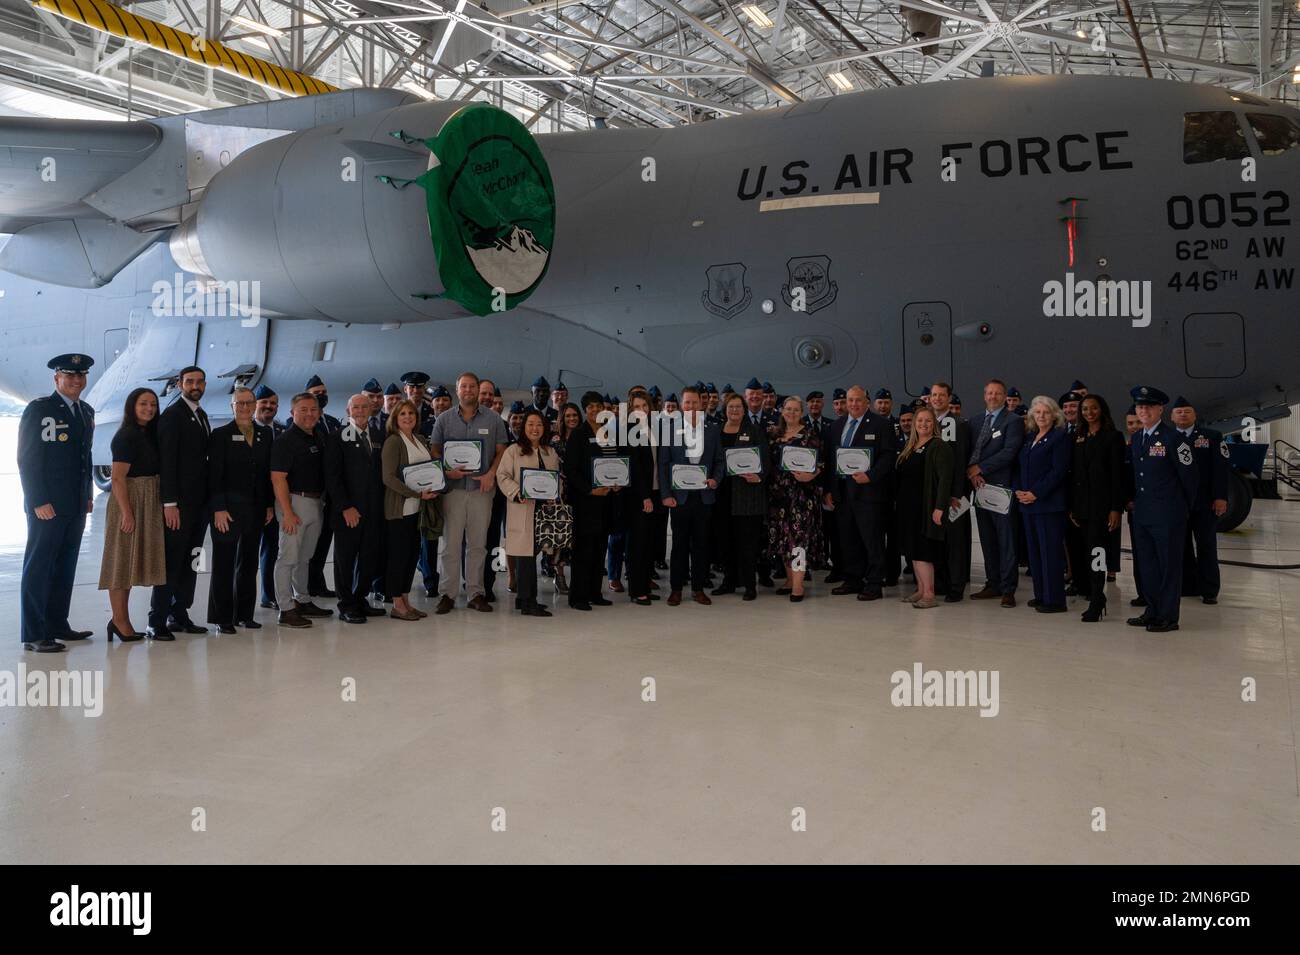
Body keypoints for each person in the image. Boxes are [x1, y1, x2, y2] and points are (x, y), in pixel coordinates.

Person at [17, 353, 96, 652]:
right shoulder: (40, 410)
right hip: (47, 506)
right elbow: (27, 458)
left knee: (65, 567)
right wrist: (37, 500)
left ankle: (57, 624)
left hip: (75, 504)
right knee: (39, 567)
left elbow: (84, 459)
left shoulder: (86, 411)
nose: (76, 380)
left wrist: (87, 495)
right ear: (57, 378)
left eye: (81, 375)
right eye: (70, 375)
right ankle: (34, 634)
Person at [430, 371, 509, 614]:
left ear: (478, 390)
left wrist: (490, 474)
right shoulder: (443, 420)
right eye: (463, 387)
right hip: (452, 491)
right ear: (457, 390)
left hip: (481, 491)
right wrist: (446, 470)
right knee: (450, 545)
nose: (468, 391)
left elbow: (502, 450)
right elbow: (434, 451)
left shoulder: (494, 419)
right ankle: (448, 594)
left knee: (477, 545)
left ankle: (476, 593)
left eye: (472, 387)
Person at [1127, 386, 1198, 632]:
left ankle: (1168, 616)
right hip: (1144, 513)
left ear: (1160, 409)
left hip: (1169, 514)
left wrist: (1181, 509)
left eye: (1148, 406)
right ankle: (1152, 610)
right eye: (1140, 406)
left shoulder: (1174, 439)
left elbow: (1189, 478)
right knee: (1148, 565)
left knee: (1169, 567)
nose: (1143, 410)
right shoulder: (1137, 438)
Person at [149, 365, 211, 639]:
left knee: (192, 560)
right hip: (179, 506)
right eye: (190, 382)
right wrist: (169, 503)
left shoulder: (200, 415)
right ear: (179, 384)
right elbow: (168, 463)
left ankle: (180, 613)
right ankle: (156, 621)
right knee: (171, 562)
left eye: (199, 382)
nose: (195, 386)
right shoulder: (173, 416)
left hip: (198, 505)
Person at [98, 387, 165, 641]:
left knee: (129, 564)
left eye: (153, 405)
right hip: (130, 500)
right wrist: (127, 513)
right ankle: (119, 620)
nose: (149, 409)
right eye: (143, 404)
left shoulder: (148, 433)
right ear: (131, 406)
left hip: (148, 498)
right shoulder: (126, 436)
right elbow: (117, 478)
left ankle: (120, 620)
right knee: (120, 562)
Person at [206, 387, 273, 634]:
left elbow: (266, 475)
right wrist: (218, 508)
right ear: (232, 406)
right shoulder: (221, 435)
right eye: (239, 403)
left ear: (255, 405)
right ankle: (223, 617)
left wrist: (267, 505)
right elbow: (214, 476)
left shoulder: (265, 435)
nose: (245, 407)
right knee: (224, 563)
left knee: (248, 562)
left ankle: (244, 614)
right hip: (228, 510)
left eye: (249, 403)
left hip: (255, 509)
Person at [823, 385, 899, 600]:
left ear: (867, 402)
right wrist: (829, 490)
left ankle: (874, 583)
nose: (854, 404)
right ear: (846, 403)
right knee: (848, 539)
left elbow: (888, 456)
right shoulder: (836, 426)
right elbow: (830, 461)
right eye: (850, 400)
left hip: (869, 494)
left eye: (858, 400)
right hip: (843, 494)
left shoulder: (881, 425)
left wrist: (871, 475)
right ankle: (853, 579)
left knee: (872, 540)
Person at [269, 393, 333, 628]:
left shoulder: (318, 437)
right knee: (287, 558)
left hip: (316, 503)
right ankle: (286, 609)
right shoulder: (285, 441)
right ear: (292, 413)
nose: (309, 414)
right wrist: (287, 512)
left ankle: (302, 600)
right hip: (294, 502)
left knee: (305, 557)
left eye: (313, 409)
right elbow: (278, 479)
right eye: (303, 409)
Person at [324, 394, 388, 624]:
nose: (360, 411)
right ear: (348, 410)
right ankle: (347, 605)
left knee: (369, 558)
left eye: (364, 407)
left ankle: (360, 598)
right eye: (356, 407)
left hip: (374, 511)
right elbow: (333, 478)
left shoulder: (380, 436)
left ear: (371, 409)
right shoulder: (337, 437)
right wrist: (345, 507)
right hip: (348, 512)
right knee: (345, 560)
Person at [658, 386, 724, 606]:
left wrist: (715, 479)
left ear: (701, 403)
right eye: (687, 403)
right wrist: (666, 494)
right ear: (681, 405)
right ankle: (676, 589)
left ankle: (697, 589)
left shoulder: (713, 429)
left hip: (704, 496)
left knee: (701, 544)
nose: (691, 406)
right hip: (679, 497)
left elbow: (719, 461)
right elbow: (663, 464)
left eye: (695, 402)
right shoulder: (669, 429)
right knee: (678, 545)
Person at [1067, 394, 1126, 622]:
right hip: (1082, 507)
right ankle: (1093, 593)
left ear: (1102, 410)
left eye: (1093, 408)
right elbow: (1074, 475)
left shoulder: (1113, 437)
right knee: (1085, 552)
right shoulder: (1079, 437)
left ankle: (1097, 596)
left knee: (1097, 553)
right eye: (1085, 409)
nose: (1089, 413)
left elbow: (1117, 477)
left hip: (1102, 509)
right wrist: (1072, 506)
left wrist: (1115, 508)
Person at [496, 409, 560, 616]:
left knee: (534, 553)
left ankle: (524, 598)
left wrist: (556, 492)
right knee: (525, 555)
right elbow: (502, 475)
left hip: (543, 511)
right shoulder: (513, 451)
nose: (535, 428)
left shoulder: (550, 452)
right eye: (531, 424)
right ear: (524, 427)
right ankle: (527, 601)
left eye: (539, 424)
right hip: (523, 507)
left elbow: (557, 478)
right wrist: (516, 492)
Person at [381, 399, 440, 621]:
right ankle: (396, 603)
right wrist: (416, 494)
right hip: (400, 510)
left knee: (411, 555)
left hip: (418, 509)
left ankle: (406, 600)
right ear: (395, 418)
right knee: (398, 557)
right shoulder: (393, 442)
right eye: (403, 414)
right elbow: (388, 478)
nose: (407, 417)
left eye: (411, 414)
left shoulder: (420, 439)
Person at [967, 379, 1024, 608]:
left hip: (1001, 488)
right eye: (989, 393)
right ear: (984, 395)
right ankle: (993, 583)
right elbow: (969, 452)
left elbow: (1009, 452)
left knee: (1006, 539)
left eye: (997, 393)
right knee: (987, 538)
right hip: (979, 487)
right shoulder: (975, 421)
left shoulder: (1013, 421)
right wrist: (972, 474)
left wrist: (980, 468)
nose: (993, 397)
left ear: (1004, 397)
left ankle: (1008, 589)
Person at [565, 390, 624, 610]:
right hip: (586, 501)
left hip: (607, 501)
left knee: (600, 548)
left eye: (598, 406)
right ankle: (578, 596)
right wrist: (590, 490)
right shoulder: (578, 435)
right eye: (590, 407)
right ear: (585, 410)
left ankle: (595, 592)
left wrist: (619, 481)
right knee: (583, 550)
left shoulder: (610, 433)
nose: (595, 410)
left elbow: (616, 461)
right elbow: (571, 470)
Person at [1015, 396, 1072, 614]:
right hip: (1027, 504)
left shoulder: (1059, 438)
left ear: (1055, 415)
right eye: (1037, 413)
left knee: (1050, 553)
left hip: (1048, 504)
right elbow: (1021, 468)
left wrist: (1036, 493)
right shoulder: (1030, 438)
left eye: (1046, 412)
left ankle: (1055, 600)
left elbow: (1058, 472)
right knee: (1035, 553)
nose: (1041, 416)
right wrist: (1019, 490)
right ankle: (1041, 595)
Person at [1171, 397, 1229, 605]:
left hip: (1204, 503)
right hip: (1177, 504)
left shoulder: (1211, 436)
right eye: (1179, 412)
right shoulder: (1167, 438)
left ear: (1194, 415)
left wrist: (1221, 497)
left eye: (1187, 411)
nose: (1183, 415)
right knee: (1181, 547)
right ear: (1172, 416)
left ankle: (1209, 589)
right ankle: (1187, 585)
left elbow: (1220, 469)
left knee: (1206, 546)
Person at [767, 396, 825, 602]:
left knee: (798, 541)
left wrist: (813, 474)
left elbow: (822, 462)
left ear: (801, 413)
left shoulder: (810, 434)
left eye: (795, 410)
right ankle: (790, 579)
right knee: (783, 539)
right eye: (788, 409)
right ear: (782, 411)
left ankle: (799, 585)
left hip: (801, 495)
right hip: (777, 495)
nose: (791, 412)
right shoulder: (774, 434)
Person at [896, 407, 951, 609]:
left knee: (924, 551)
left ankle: (929, 593)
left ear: (934, 424)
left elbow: (945, 479)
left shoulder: (938, 446)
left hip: (925, 508)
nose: (923, 424)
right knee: (913, 551)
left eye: (928, 421)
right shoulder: (910, 446)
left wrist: (939, 507)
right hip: (907, 508)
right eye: (920, 421)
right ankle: (920, 589)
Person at [715, 393, 767, 600]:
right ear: (724, 409)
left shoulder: (754, 431)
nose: (734, 410)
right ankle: (729, 581)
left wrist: (759, 476)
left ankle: (749, 585)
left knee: (747, 543)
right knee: (725, 541)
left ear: (744, 410)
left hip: (747, 495)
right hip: (721, 495)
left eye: (738, 407)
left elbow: (766, 460)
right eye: (730, 407)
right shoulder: (716, 432)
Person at [929, 382, 972, 602]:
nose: (937, 399)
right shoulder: (927, 423)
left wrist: (956, 493)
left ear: (949, 398)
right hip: (933, 494)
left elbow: (960, 460)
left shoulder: (958, 424)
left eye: (941, 395)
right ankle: (942, 582)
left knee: (955, 541)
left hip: (954, 495)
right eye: (934, 395)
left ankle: (956, 586)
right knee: (938, 540)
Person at [304, 375, 342, 598]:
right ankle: (304, 585)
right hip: (311, 492)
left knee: (324, 541)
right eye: (316, 393)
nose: (321, 396)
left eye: (323, 392)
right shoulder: (297, 425)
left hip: (330, 494)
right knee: (309, 544)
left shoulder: (333, 422)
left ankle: (317, 582)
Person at [620, 393, 657, 605]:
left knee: (647, 544)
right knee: (637, 545)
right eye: (636, 407)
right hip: (638, 496)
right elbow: (634, 467)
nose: (641, 409)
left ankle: (644, 585)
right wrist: (644, 496)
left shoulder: (651, 429)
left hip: (653, 492)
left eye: (644, 406)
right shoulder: (630, 432)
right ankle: (636, 590)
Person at [254, 385, 285, 610]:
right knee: (245, 552)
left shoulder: (283, 431)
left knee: (273, 549)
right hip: (253, 501)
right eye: (264, 403)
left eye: (273, 403)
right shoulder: (247, 430)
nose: (268, 406)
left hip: (278, 501)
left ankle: (269, 594)